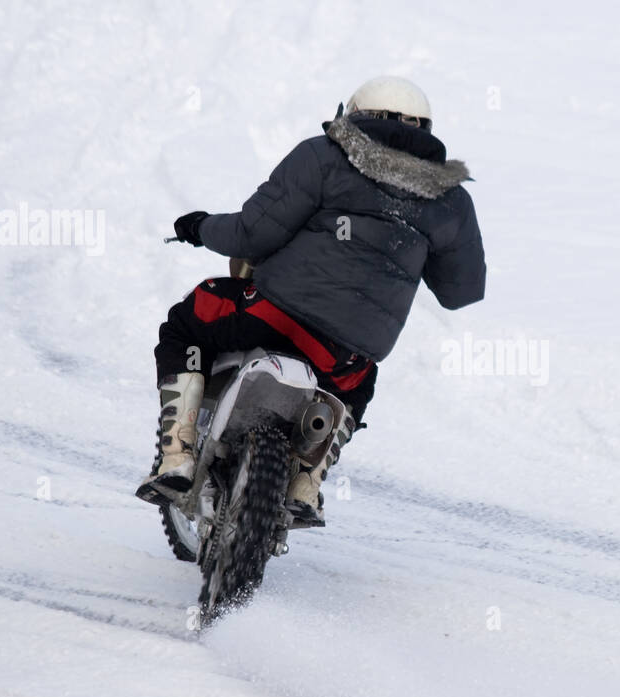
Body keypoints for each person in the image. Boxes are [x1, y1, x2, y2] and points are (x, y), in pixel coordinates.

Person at [136, 75, 486, 523]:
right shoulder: (451, 201)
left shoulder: (324, 156)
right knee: (361, 384)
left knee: (189, 321)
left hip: (277, 316)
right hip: (348, 353)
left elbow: (252, 232)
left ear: (355, 115)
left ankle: (178, 453)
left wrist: (199, 227)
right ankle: (307, 480)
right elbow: (462, 292)